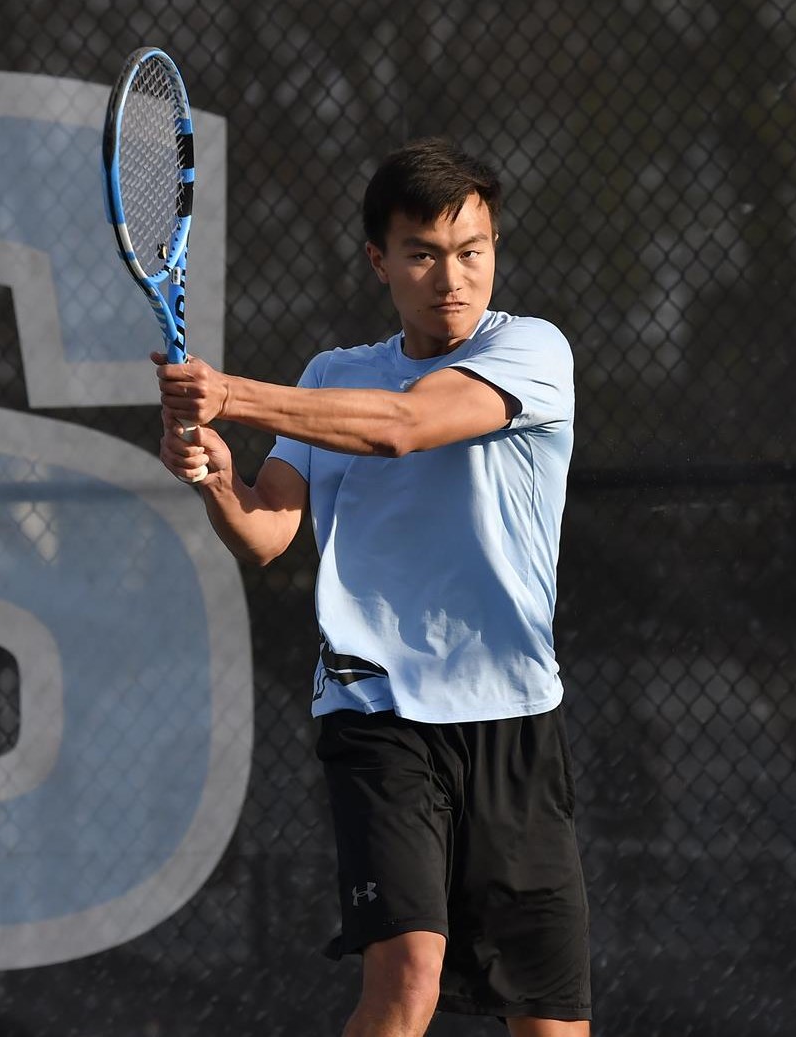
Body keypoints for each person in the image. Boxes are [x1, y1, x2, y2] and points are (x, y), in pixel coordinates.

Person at [154, 137, 588, 1036]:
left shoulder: (534, 353)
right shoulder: (333, 376)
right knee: (406, 979)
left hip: (515, 716)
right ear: (379, 260)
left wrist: (229, 392)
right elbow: (269, 532)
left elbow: (403, 426)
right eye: (424, 253)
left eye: (473, 251)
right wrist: (211, 477)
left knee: (550, 1022)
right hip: (377, 707)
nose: (452, 277)